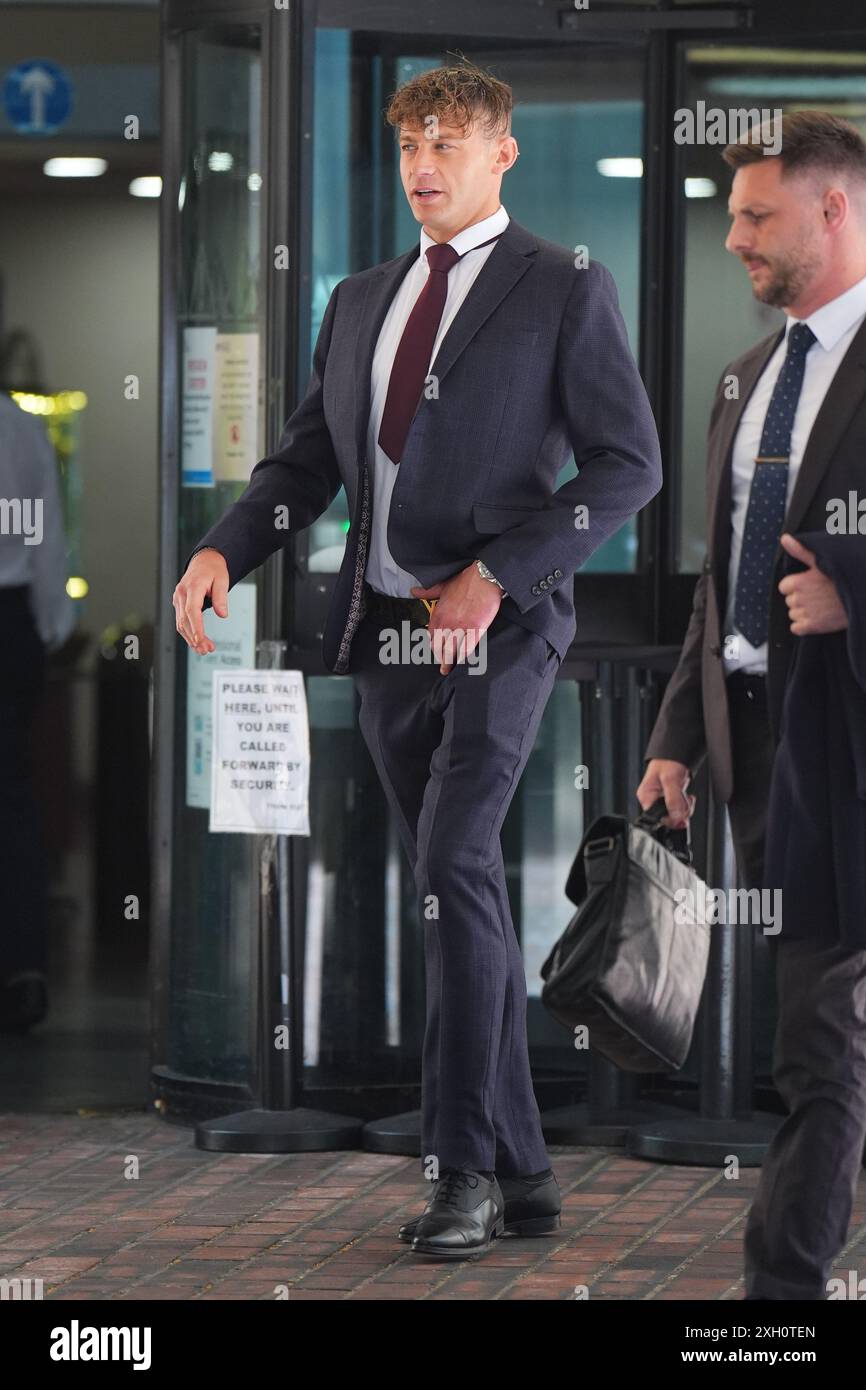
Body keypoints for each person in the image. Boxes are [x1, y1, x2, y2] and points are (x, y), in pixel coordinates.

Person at [174, 61, 662, 1259]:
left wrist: (495, 574)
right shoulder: (359, 299)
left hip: (499, 628)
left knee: (451, 862)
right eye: (409, 147)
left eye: (448, 143)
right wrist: (223, 554)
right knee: (457, 893)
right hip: (385, 632)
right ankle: (529, 1168)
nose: (423, 166)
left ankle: (463, 1176)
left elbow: (626, 466)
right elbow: (304, 469)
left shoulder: (562, 287)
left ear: (502, 154)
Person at [637, 109, 866, 1299]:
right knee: (820, 1024)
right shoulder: (745, 375)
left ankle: (781, 1284)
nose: (730, 238)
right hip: (757, 747)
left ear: (832, 210)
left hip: (848, 745)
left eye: (753, 216)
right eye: (729, 215)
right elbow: (712, 582)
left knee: (818, 1038)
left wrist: (851, 588)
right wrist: (678, 736)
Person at [0, 389, 75, 1030]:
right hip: (10, 620)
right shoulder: (17, 428)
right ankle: (23, 971)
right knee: (13, 795)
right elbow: (44, 530)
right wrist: (52, 622)